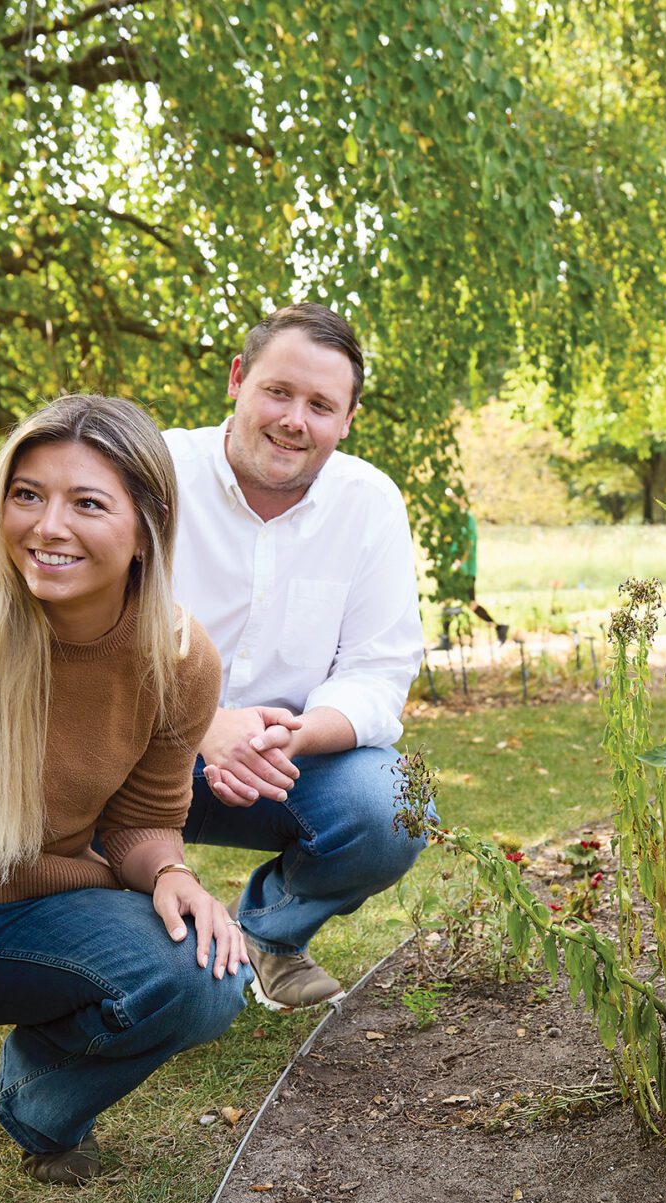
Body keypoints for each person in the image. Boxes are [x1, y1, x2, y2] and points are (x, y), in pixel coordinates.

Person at [0, 394, 247, 1186]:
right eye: (28, 494)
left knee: (207, 973)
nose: (48, 526)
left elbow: (143, 821)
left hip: (43, 917)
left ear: (147, 528)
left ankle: (41, 1103)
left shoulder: (179, 660)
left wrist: (175, 875)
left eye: (87, 503)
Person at [162, 304, 429, 1009]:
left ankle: (269, 934)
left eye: (320, 405)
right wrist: (203, 724)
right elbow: (98, 639)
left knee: (394, 805)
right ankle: (130, 954)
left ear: (347, 420)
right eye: (278, 392)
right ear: (238, 379)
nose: (293, 420)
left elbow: (379, 669)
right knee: (62, 780)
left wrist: (301, 732)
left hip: (287, 760)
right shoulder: (154, 473)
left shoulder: (370, 504)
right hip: (142, 746)